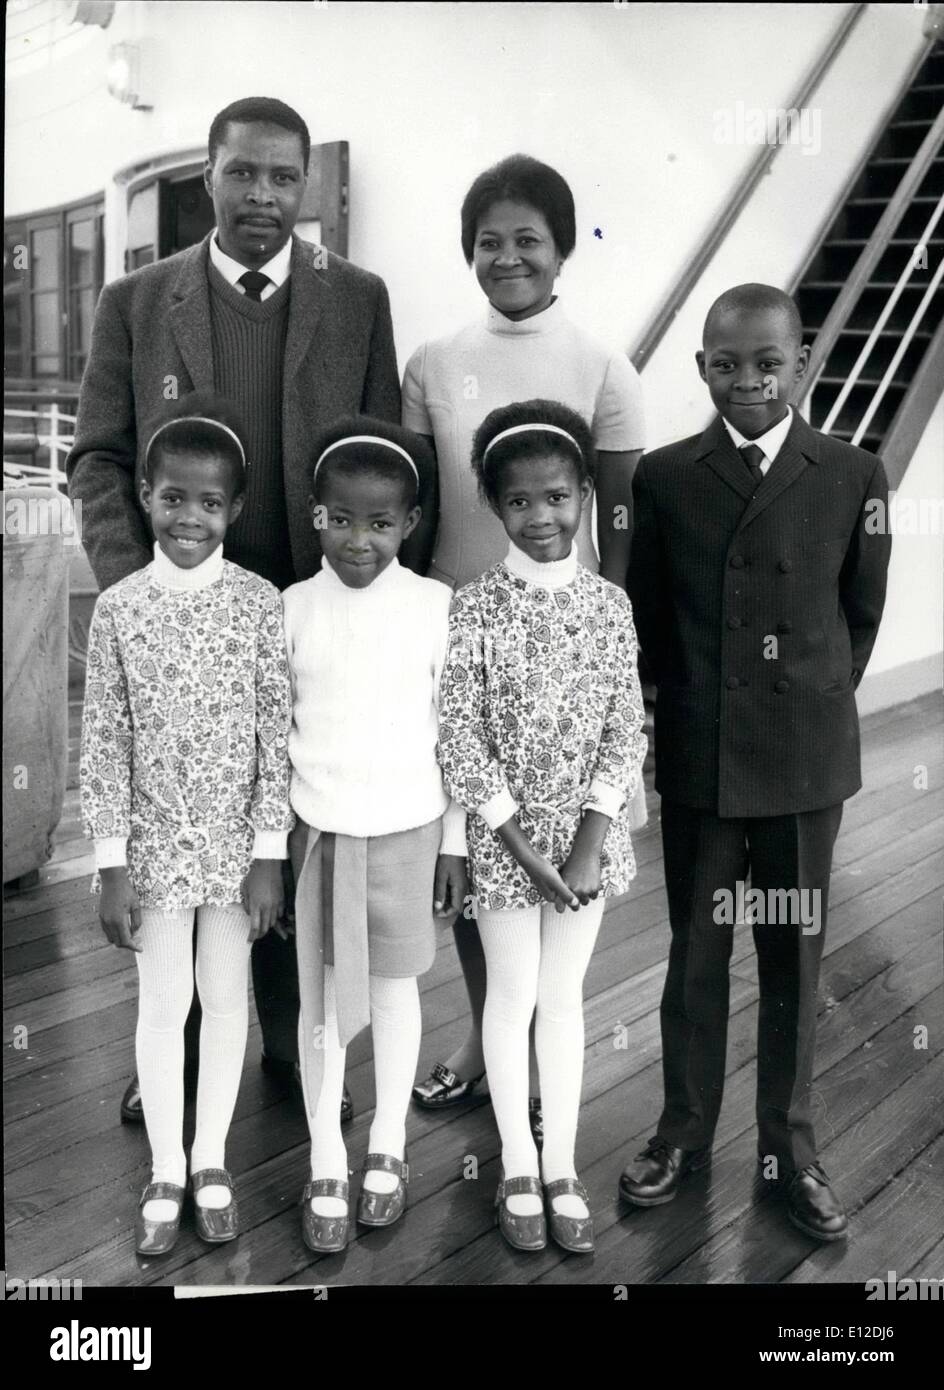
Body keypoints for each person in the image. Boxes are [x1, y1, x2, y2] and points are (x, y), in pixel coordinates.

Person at [67, 96, 400, 1123]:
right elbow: (99, 458)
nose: (263, 195)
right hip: (183, 618)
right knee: (180, 823)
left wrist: (362, 598)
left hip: (308, 615)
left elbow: (379, 452)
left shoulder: (358, 297)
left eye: (283, 177)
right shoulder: (136, 300)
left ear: (306, 186)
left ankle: (301, 1039)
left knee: (291, 822)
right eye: (242, 173)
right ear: (205, 179)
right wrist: (140, 586)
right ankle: (172, 1044)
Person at [622, 284, 891, 1241]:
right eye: (727, 364)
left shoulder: (854, 474)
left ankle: (793, 1148)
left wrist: (807, 707)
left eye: (768, 363)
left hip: (804, 766)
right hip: (702, 760)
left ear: (802, 362)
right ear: (701, 368)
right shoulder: (664, 477)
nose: (748, 381)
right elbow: (647, 618)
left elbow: (858, 620)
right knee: (695, 958)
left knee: (793, 960)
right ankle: (683, 1135)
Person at [402, 153, 646, 1125]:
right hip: (457, 631)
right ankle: (482, 1032)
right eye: (489, 241)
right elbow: (419, 519)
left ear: (560, 248)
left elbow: (619, 522)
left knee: (559, 851)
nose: (508, 257)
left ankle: (545, 1051)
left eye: (527, 239)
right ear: (468, 251)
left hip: (565, 642)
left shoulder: (601, 365)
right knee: (473, 850)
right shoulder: (429, 362)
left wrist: (606, 647)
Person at [80, 396, 294, 1255]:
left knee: (226, 999)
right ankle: (166, 1165)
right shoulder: (121, 609)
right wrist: (110, 860)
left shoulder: (258, 604)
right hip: (155, 848)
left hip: (239, 850)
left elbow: (276, 735)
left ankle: (212, 1160)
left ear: (234, 509)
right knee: (164, 1005)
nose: (190, 517)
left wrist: (270, 853)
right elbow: (105, 738)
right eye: (173, 498)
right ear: (143, 495)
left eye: (210, 503)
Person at [437, 400, 647, 1254]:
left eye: (558, 497)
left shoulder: (609, 607)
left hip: (584, 848)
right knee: (512, 994)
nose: (542, 516)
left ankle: (561, 1162)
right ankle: (517, 1163)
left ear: (586, 495)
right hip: (503, 843)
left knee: (562, 1000)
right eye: (520, 502)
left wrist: (589, 842)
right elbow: (459, 730)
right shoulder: (475, 607)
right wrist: (518, 843)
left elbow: (625, 726)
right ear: (493, 506)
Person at [283, 419, 468, 1254]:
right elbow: (273, 733)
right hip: (321, 832)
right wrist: (273, 840)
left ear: (411, 523)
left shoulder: (435, 609)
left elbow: (457, 735)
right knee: (319, 1000)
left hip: (407, 830)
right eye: (343, 520)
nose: (361, 540)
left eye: (382, 523)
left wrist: (457, 839)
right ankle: (327, 1149)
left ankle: (387, 1143)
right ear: (316, 516)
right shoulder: (290, 609)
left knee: (395, 990)